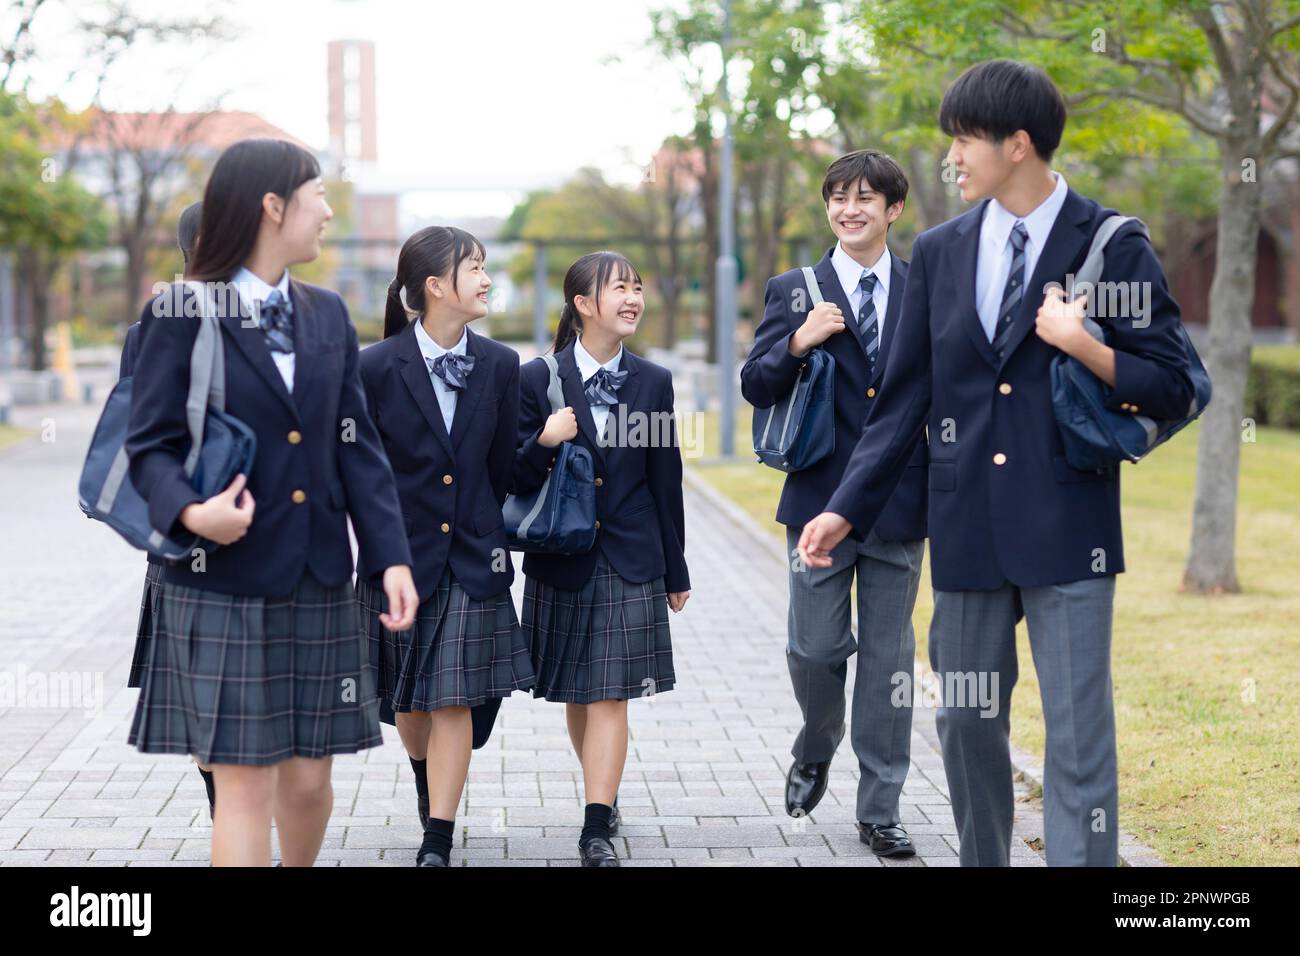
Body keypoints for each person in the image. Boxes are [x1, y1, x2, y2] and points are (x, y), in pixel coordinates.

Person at [797, 60, 1195, 866]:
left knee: (1079, 737)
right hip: (967, 528)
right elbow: (903, 400)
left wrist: (1087, 347)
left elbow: (1178, 383)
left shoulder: (1110, 245)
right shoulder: (941, 252)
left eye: (964, 141)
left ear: (1017, 145)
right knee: (966, 724)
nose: (953, 158)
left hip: (1070, 527)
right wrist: (847, 505)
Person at [124, 138, 418, 867]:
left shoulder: (326, 314)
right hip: (222, 578)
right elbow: (149, 446)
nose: (326, 211)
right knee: (244, 786)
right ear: (272, 205)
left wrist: (390, 557)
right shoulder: (184, 310)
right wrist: (192, 514)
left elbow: (358, 448)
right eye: (316, 194)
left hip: (319, 578)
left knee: (311, 784)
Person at [740, 149, 927, 857]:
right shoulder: (795, 287)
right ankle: (817, 742)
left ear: (893, 210)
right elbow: (756, 385)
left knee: (890, 662)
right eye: (838, 199)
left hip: (900, 503)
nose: (850, 210)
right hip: (817, 496)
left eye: (865, 199)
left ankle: (881, 808)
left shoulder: (922, 286)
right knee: (815, 648)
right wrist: (797, 341)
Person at [355, 226, 534, 867]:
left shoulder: (502, 365)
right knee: (410, 699)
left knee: (453, 694)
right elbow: (359, 467)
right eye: (475, 268)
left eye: (486, 267)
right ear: (435, 287)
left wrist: (542, 450)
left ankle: (437, 837)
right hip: (398, 557)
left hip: (473, 556)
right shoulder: (374, 367)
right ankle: (423, 776)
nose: (486, 279)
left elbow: (501, 471)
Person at [514, 251, 690, 867]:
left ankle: (595, 824)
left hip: (632, 555)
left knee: (611, 692)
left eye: (637, 286)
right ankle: (603, 793)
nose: (633, 297)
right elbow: (511, 473)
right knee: (579, 694)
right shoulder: (538, 379)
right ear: (584, 304)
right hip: (564, 554)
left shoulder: (655, 381)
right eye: (620, 288)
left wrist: (677, 568)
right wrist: (544, 439)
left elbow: (666, 480)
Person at [120, 201, 218, 817]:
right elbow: (139, 437)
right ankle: (229, 814)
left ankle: (238, 811)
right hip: (189, 535)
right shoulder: (157, 326)